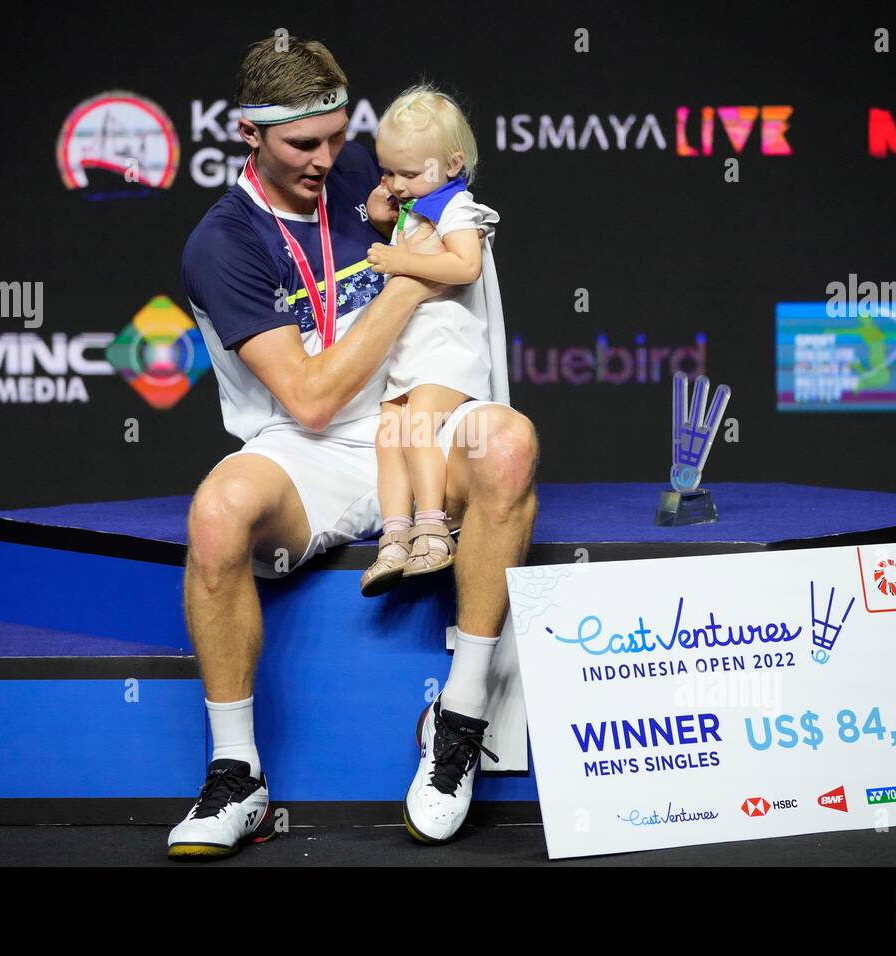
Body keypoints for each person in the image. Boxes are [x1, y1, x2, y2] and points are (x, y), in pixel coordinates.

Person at [168, 36, 538, 859]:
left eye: (340, 138)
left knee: (509, 443)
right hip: (305, 447)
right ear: (248, 135)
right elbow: (310, 396)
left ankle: (460, 724)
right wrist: (411, 279)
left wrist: (436, 252)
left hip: (417, 416)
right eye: (306, 144)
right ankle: (237, 776)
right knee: (217, 511)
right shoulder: (223, 244)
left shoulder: (370, 186)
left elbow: (460, 240)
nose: (330, 160)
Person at [358, 85, 511, 598]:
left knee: (420, 427)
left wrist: (399, 260)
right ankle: (396, 533)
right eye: (387, 173)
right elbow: (404, 227)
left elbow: (463, 265)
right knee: (389, 438)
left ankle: (434, 528)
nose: (395, 185)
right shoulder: (419, 203)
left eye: (406, 174)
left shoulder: (457, 207)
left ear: (452, 164)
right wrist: (384, 215)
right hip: (409, 355)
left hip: (447, 352)